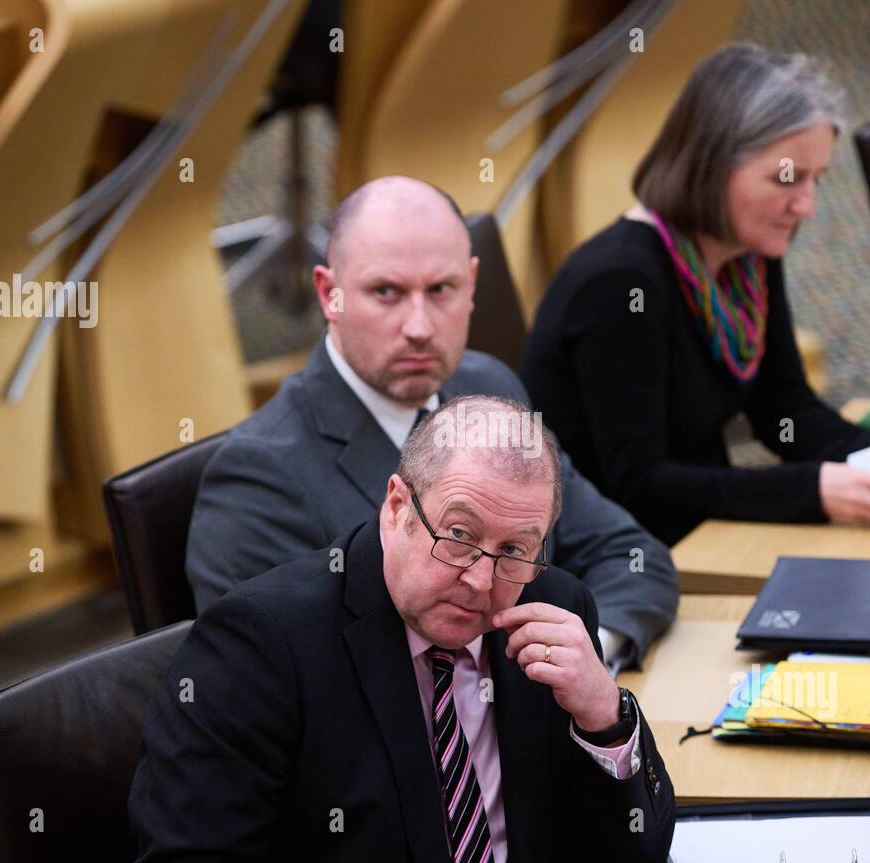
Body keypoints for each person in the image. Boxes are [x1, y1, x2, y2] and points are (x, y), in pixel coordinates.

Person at [130, 395, 675, 863]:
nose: (481, 579)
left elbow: (635, 853)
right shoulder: (260, 644)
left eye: (514, 550)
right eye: (460, 534)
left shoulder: (554, 608)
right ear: (396, 509)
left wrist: (605, 718)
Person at [187, 176, 677, 667]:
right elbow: (278, 688)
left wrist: (583, 661)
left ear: (472, 285)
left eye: (441, 289)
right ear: (328, 294)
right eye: (386, 292)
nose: (419, 327)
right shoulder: (257, 478)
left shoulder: (489, 388)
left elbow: (630, 555)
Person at [520, 43, 870, 547]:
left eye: (816, 180)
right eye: (787, 179)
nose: (807, 206)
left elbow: (783, 408)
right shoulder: (620, 284)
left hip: (698, 531)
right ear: (711, 165)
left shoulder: (748, 251)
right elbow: (640, 487)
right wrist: (812, 491)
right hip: (612, 557)